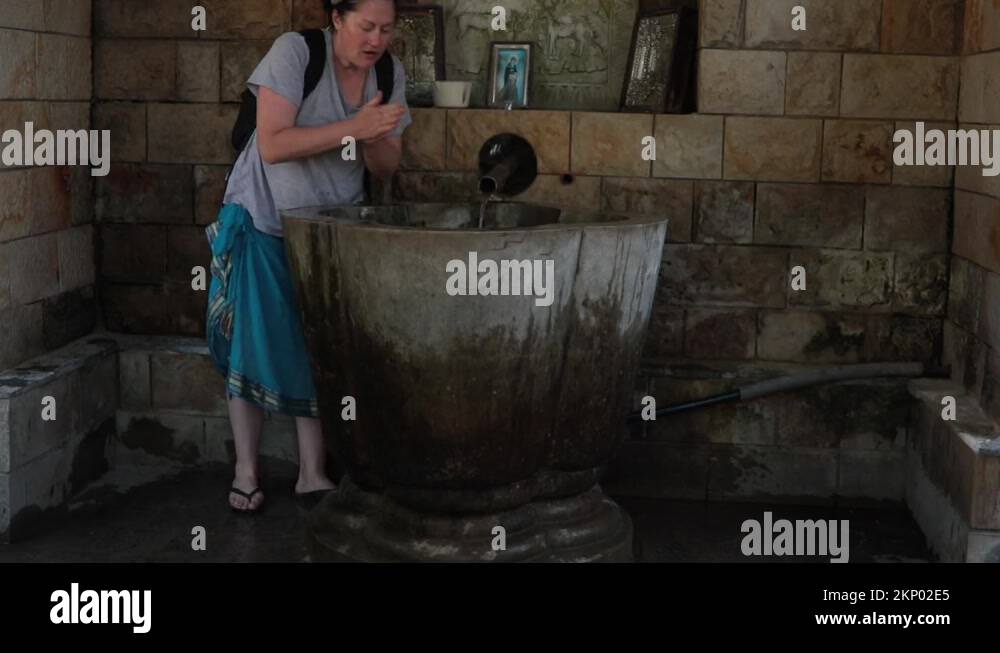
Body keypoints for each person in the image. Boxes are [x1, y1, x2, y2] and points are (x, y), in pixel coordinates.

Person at [206, 0, 412, 513]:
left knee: (316, 344)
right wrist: (352, 128)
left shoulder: (387, 71)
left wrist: (376, 133)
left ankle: (312, 472)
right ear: (337, 19)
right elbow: (273, 144)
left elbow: (386, 167)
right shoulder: (295, 53)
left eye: (386, 29)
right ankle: (247, 471)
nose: (376, 40)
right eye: (366, 26)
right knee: (251, 347)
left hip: (329, 227)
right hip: (264, 216)